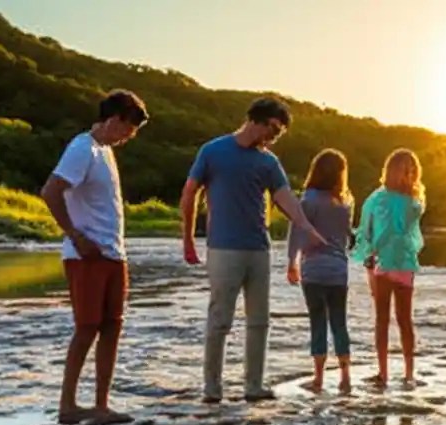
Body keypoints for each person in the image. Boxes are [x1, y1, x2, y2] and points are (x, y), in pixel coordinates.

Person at [179, 97, 327, 404]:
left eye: (279, 133)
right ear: (257, 120)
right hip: (223, 248)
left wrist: (307, 228)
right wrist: (188, 239)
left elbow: (286, 199)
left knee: (259, 320)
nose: (274, 137)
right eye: (273, 129)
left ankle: (254, 386)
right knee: (220, 319)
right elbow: (190, 192)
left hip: (259, 249)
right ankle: (212, 389)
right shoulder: (213, 151)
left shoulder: (268, 162)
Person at [40, 90, 148, 425]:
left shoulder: (105, 152)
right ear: (115, 119)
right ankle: (68, 405)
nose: (128, 138)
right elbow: (50, 191)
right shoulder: (81, 148)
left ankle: (101, 404)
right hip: (87, 255)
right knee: (86, 327)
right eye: (128, 131)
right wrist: (75, 235)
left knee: (112, 327)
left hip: (113, 253)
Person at [353, 149, 426, 388]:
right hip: (401, 263)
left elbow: (368, 230)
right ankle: (406, 373)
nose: (410, 174)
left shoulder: (379, 198)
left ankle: (387, 373)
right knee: (402, 319)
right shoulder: (413, 201)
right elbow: (409, 235)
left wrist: (367, 256)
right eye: (408, 169)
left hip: (385, 262)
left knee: (385, 319)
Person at [286, 149, 353, 394]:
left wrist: (292, 262)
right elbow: (347, 237)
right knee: (339, 322)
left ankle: (318, 379)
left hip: (313, 270)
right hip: (338, 270)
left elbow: (297, 232)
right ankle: (345, 376)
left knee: (317, 322)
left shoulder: (308, 200)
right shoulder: (345, 202)